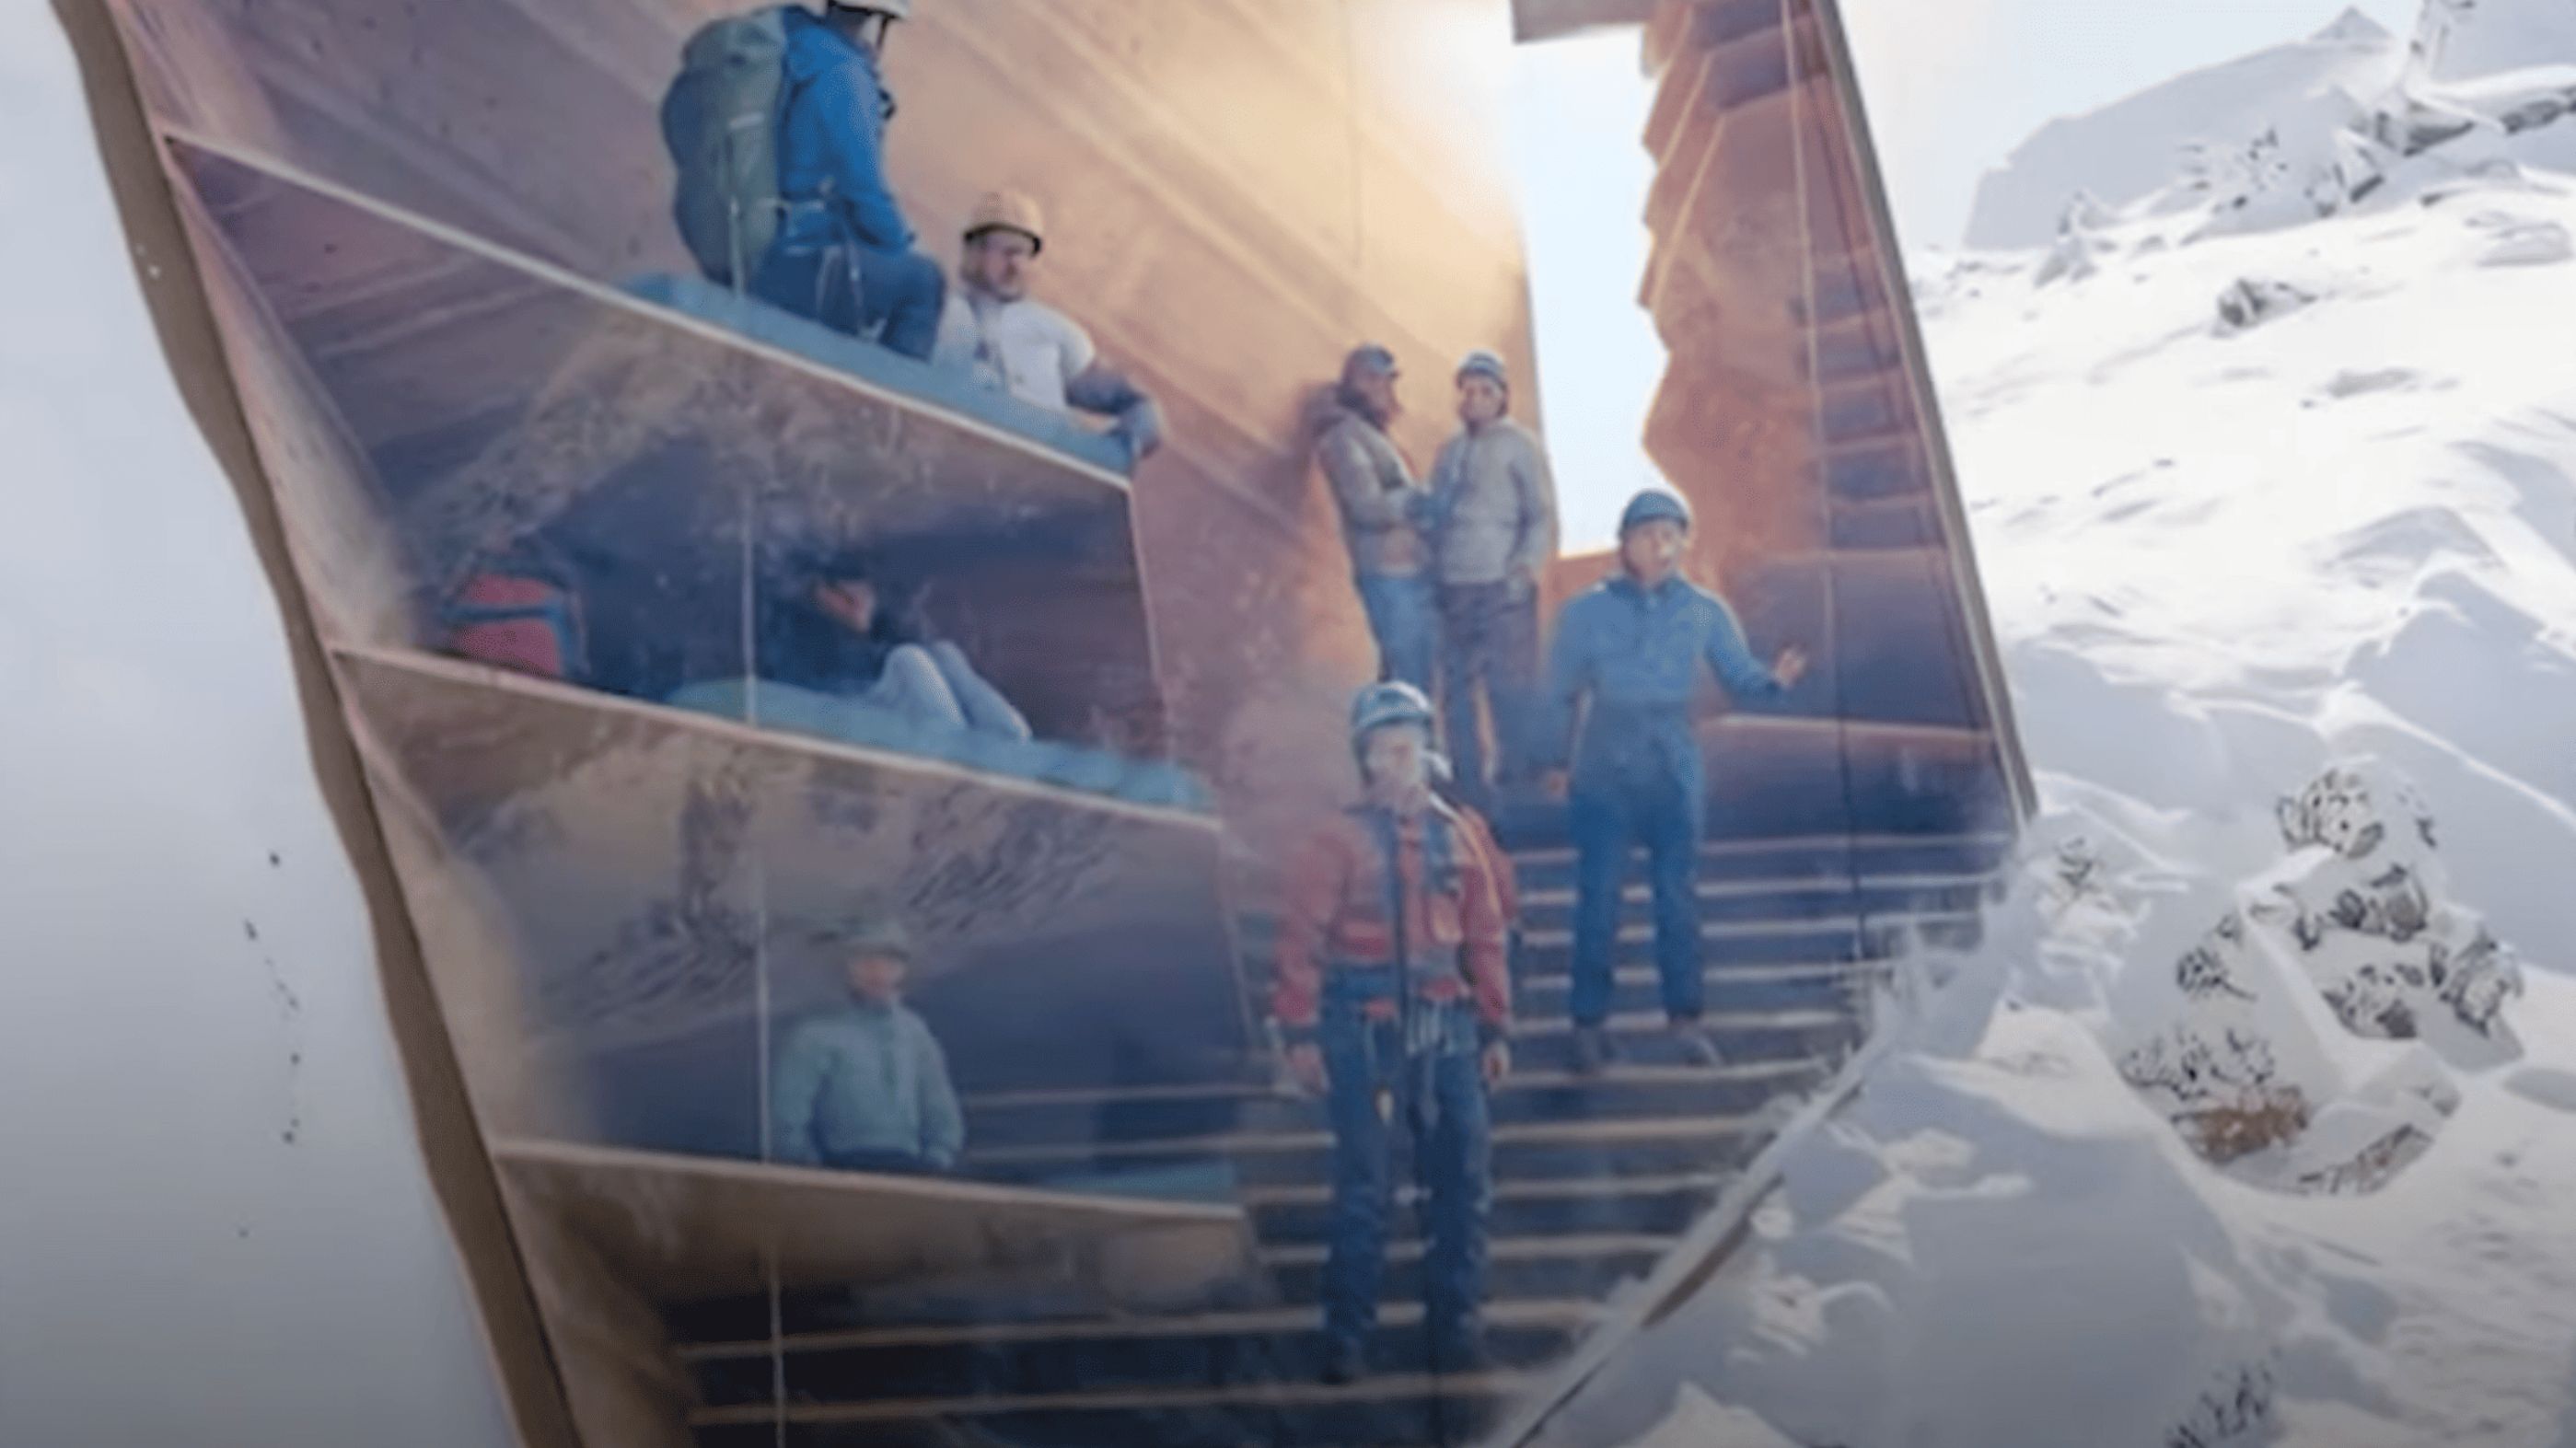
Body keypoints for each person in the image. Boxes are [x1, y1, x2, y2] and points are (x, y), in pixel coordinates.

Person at [1275, 682, 1514, 1384]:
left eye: (1408, 741)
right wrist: (1301, 1033)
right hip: (1365, 1032)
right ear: (1366, 756)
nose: (1398, 757)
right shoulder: (1335, 840)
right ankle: (1346, 1337)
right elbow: (1301, 943)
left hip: (1450, 1033)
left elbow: (1487, 934)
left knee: (1462, 1184)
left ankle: (1457, 1328)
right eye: (1384, 745)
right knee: (1365, 1188)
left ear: (1426, 746)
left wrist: (1496, 1026)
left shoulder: (1460, 832)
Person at [1540, 490, 1809, 1074]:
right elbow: (1560, 692)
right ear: (1625, 543)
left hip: (1673, 760)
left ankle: (1685, 1020)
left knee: (1677, 897)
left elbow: (1739, 674)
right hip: (1605, 760)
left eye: (1671, 535)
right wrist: (1555, 762)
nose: (1660, 546)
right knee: (1600, 897)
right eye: (1648, 535)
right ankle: (1588, 1025)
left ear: (1684, 543)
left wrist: (1775, 683)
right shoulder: (1585, 612)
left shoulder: (1705, 610)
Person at [748, 0, 947, 360]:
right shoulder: (842, 73)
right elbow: (864, 192)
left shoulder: (792, 42)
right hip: (796, 259)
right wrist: (900, 246)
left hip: (750, 237)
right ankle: (884, 407)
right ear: (877, 21)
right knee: (922, 281)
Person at [931, 190, 1166, 460]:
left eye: (1025, 254)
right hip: (951, 461)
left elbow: (1138, 404)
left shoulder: (1056, 332)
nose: (1016, 265)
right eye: (1007, 252)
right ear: (975, 250)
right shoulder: (935, 310)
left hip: (1033, 476)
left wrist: (1118, 450)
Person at [1426, 349, 1558, 815]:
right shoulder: (1450, 451)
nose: (1476, 399)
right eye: (1468, 390)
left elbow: (1540, 515)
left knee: (1511, 687)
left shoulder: (1521, 446)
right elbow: (1436, 514)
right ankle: (1469, 790)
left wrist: (1524, 568)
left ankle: (1520, 788)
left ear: (1502, 396)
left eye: (1486, 390)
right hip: (1453, 585)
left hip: (1502, 586)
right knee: (1457, 691)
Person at [758, 550, 1032, 739]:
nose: (858, 602)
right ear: (820, 590)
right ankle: (954, 760)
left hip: (894, 721)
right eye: (842, 593)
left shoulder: (888, 632)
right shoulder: (794, 631)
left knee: (943, 655)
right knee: (909, 662)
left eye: (865, 591)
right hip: (836, 720)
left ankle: (1003, 756)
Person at [771, 919, 965, 1174]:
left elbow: (938, 1103)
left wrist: (937, 1159)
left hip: (911, 1175)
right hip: (841, 1173)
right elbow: (787, 1118)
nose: (878, 972)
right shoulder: (815, 1036)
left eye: (889, 963)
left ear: (903, 970)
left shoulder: (914, 1033)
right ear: (848, 968)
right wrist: (816, 1174)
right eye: (865, 961)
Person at [1312, 345, 1436, 691]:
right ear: (1362, 382)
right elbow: (1366, 506)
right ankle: (1403, 743)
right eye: (1381, 382)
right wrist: (1418, 498)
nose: (1389, 392)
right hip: (1387, 573)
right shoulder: (1343, 437)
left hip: (1405, 571)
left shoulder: (1370, 435)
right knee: (1408, 680)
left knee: (1411, 673)